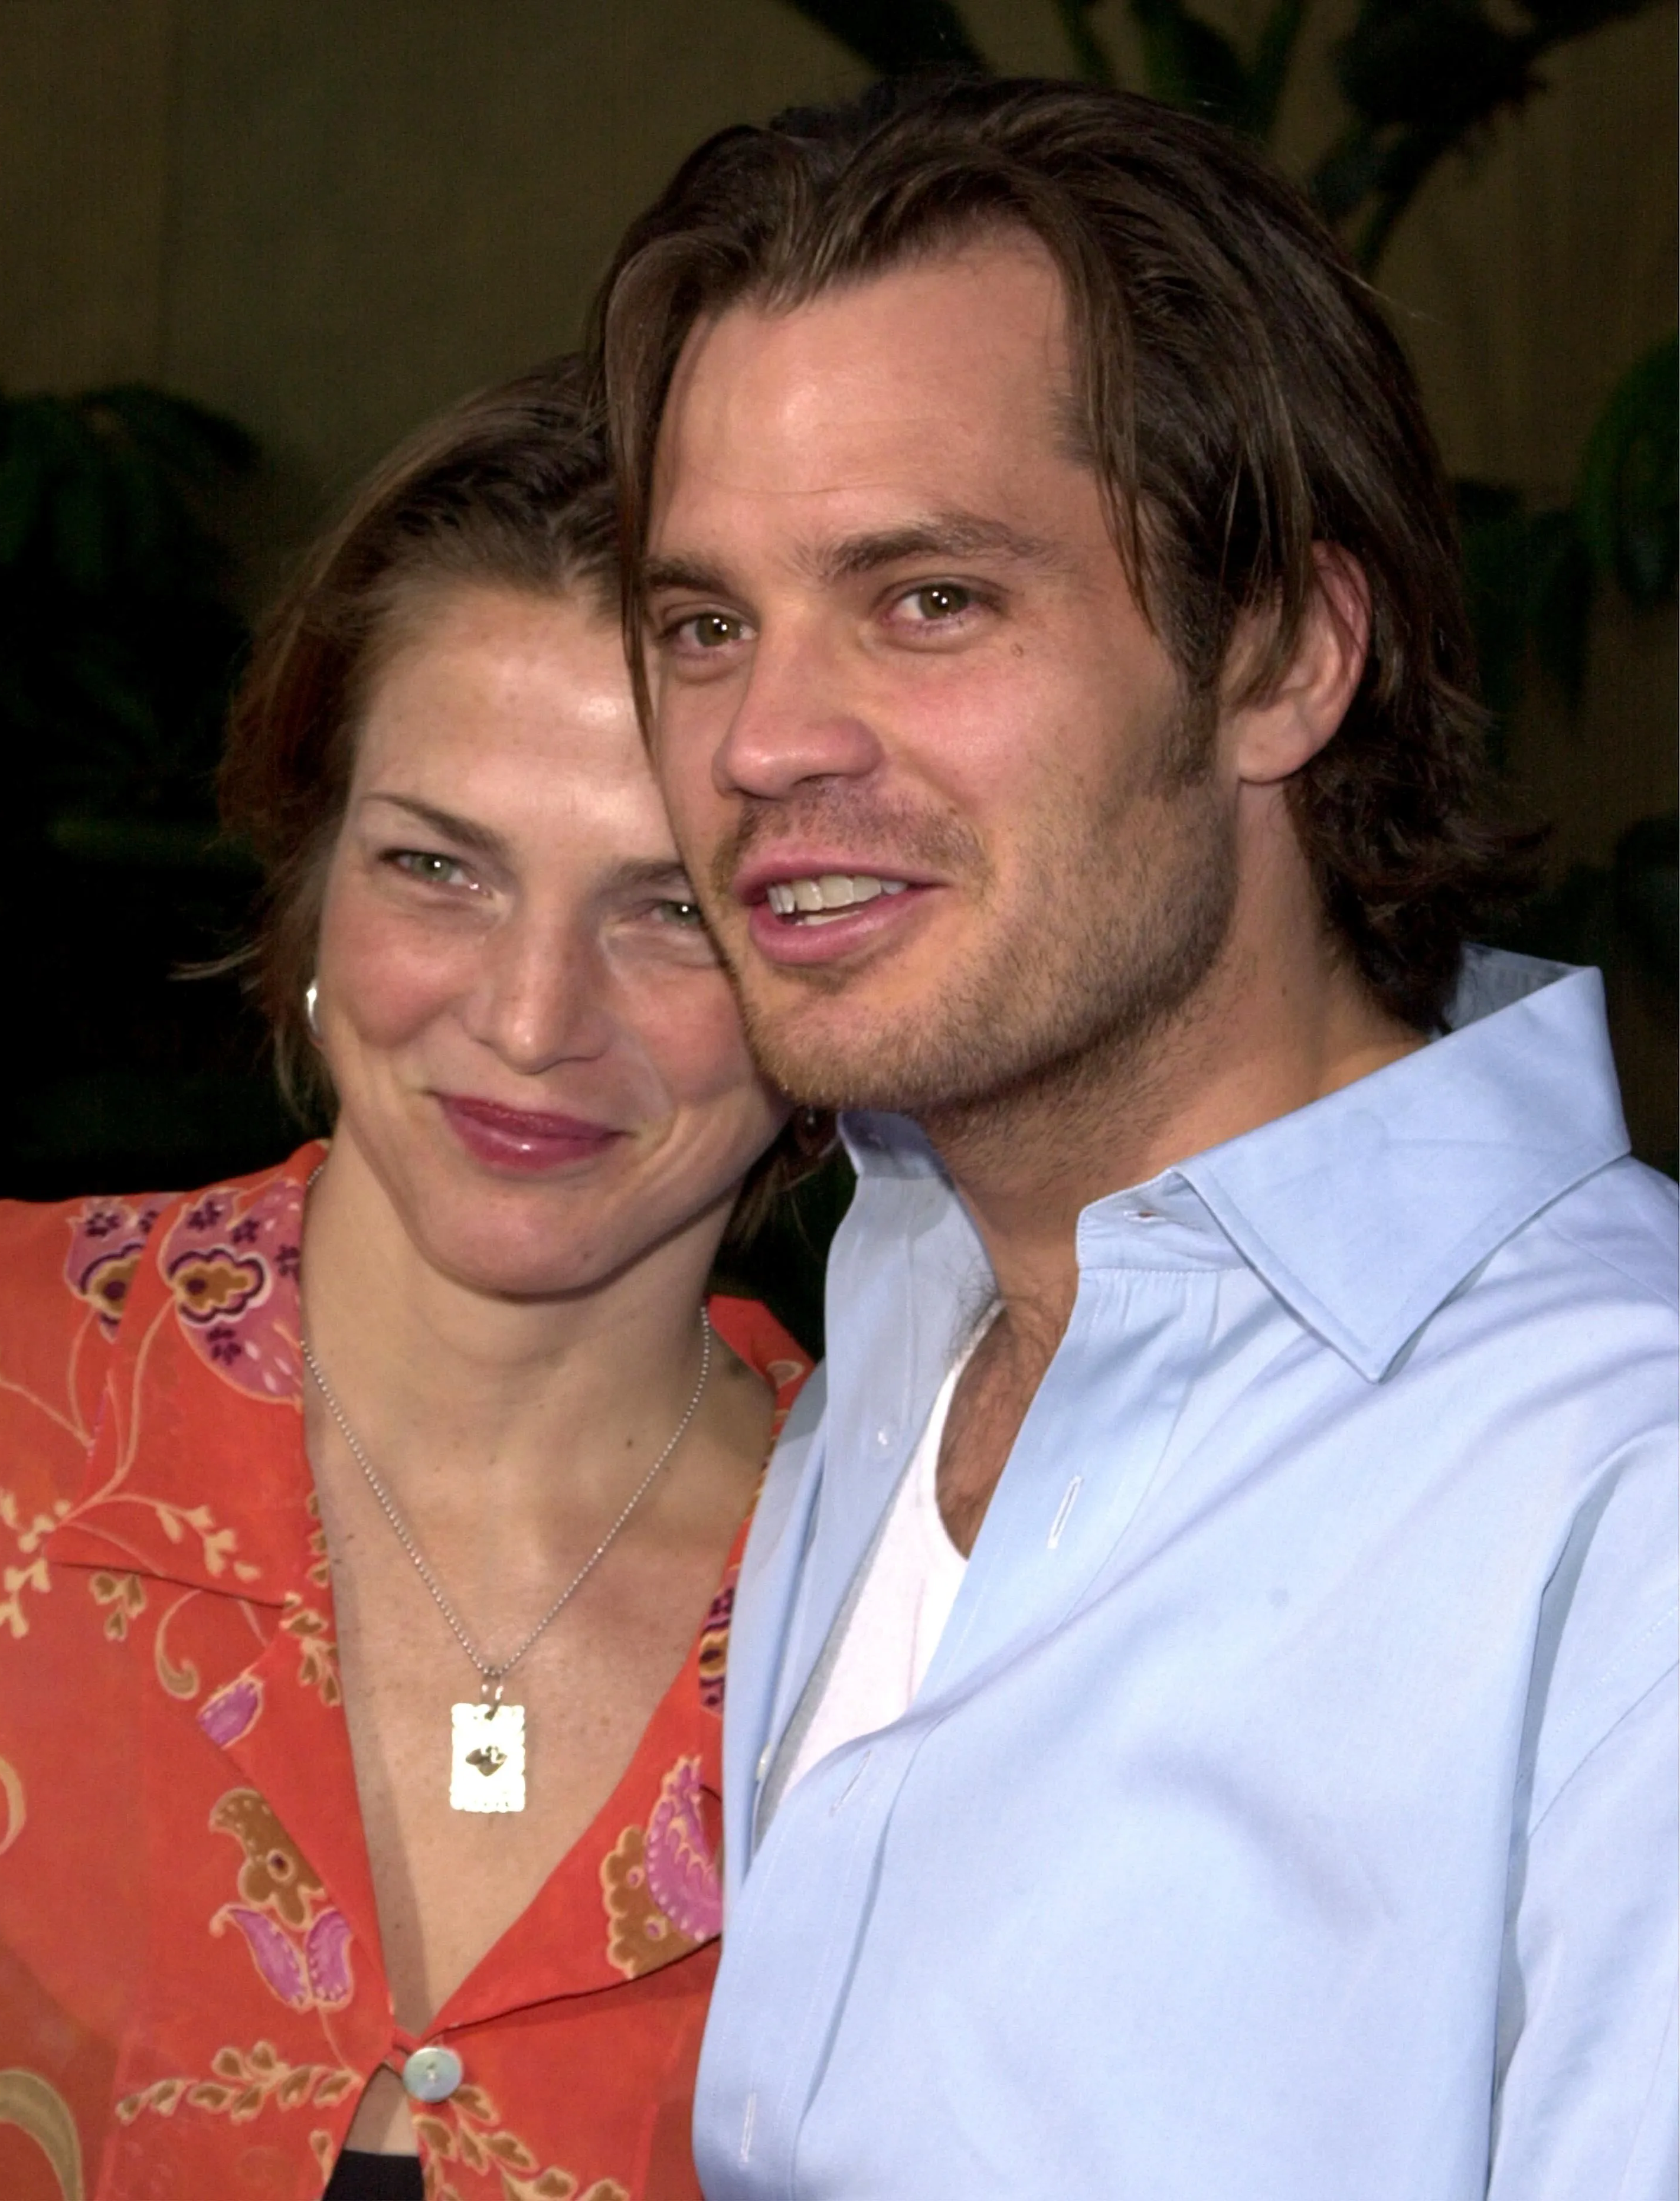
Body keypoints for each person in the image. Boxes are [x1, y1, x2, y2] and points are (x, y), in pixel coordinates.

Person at [593, 77, 1679, 2198]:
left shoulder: (1620, 1492)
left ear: (1281, 657)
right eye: (705, 622)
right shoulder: (897, 1304)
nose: (760, 742)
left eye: (925, 599)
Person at [0, 360, 813, 2200]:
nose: (531, 1017)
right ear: (308, 882)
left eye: (672, 910)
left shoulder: (921, 1618)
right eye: (438, 868)